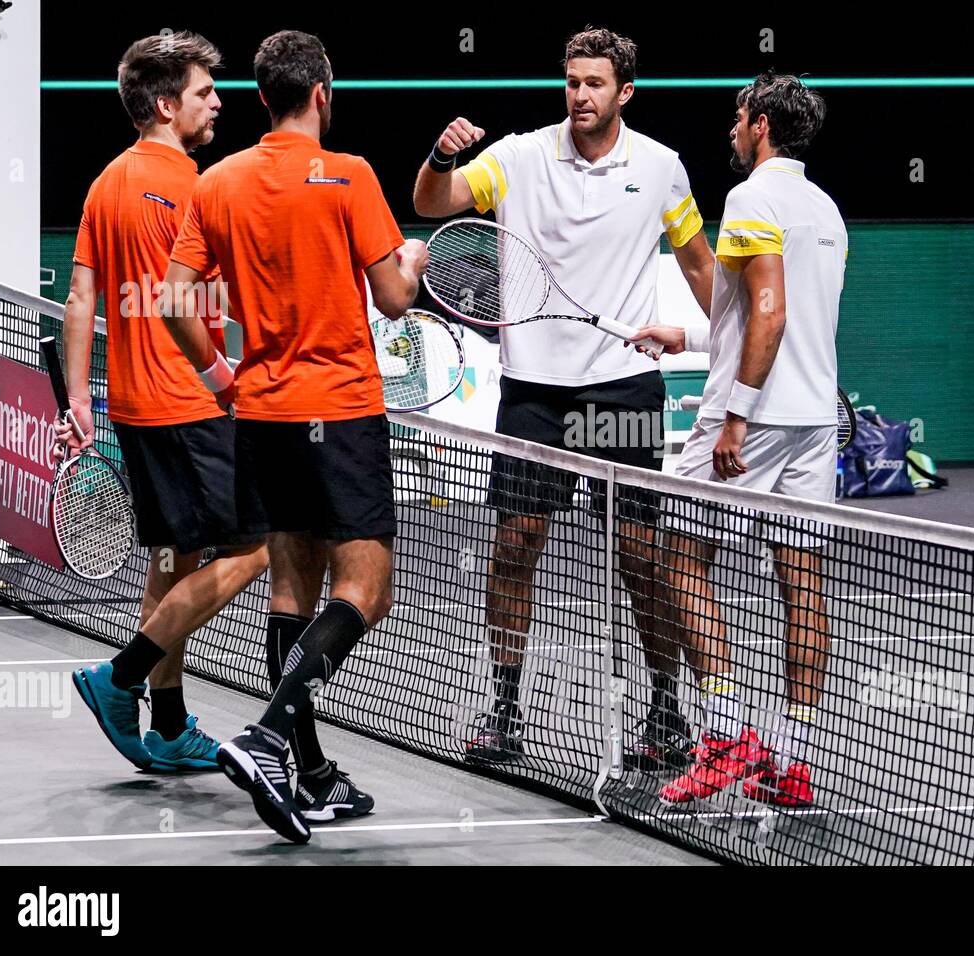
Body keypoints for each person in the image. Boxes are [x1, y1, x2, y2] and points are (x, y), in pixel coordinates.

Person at [413, 26, 715, 771]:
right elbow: (433, 202)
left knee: (641, 558)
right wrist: (440, 155)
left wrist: (729, 349)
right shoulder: (517, 157)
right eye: (573, 82)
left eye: (595, 84)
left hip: (619, 387)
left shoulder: (663, 170)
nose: (580, 95)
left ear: (625, 92)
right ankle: (506, 708)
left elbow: (703, 269)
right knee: (515, 548)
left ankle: (666, 712)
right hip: (535, 395)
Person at [159, 30, 428, 842]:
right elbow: (393, 300)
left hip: (263, 415)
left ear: (263, 97)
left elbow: (175, 301)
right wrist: (410, 257)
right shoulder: (350, 176)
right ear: (321, 93)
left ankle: (309, 776)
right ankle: (270, 733)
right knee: (365, 591)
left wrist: (221, 376)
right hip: (339, 412)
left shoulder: (220, 181)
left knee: (290, 592)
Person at [634, 71, 845, 807]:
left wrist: (735, 416)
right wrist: (688, 334)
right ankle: (794, 762)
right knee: (802, 581)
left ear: (760, 123)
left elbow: (771, 314)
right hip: (816, 421)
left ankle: (725, 736)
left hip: (751, 419)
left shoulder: (752, 198)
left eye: (736, 116)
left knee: (679, 558)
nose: (730, 128)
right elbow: (758, 315)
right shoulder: (825, 209)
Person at [64, 31, 269, 774]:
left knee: (173, 556)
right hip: (192, 404)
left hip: (132, 405)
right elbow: (240, 289)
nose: (218, 101)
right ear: (164, 104)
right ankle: (119, 678)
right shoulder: (196, 186)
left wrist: (78, 399)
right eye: (204, 92)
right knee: (257, 548)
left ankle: (172, 719)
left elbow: (82, 295)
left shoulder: (106, 182)